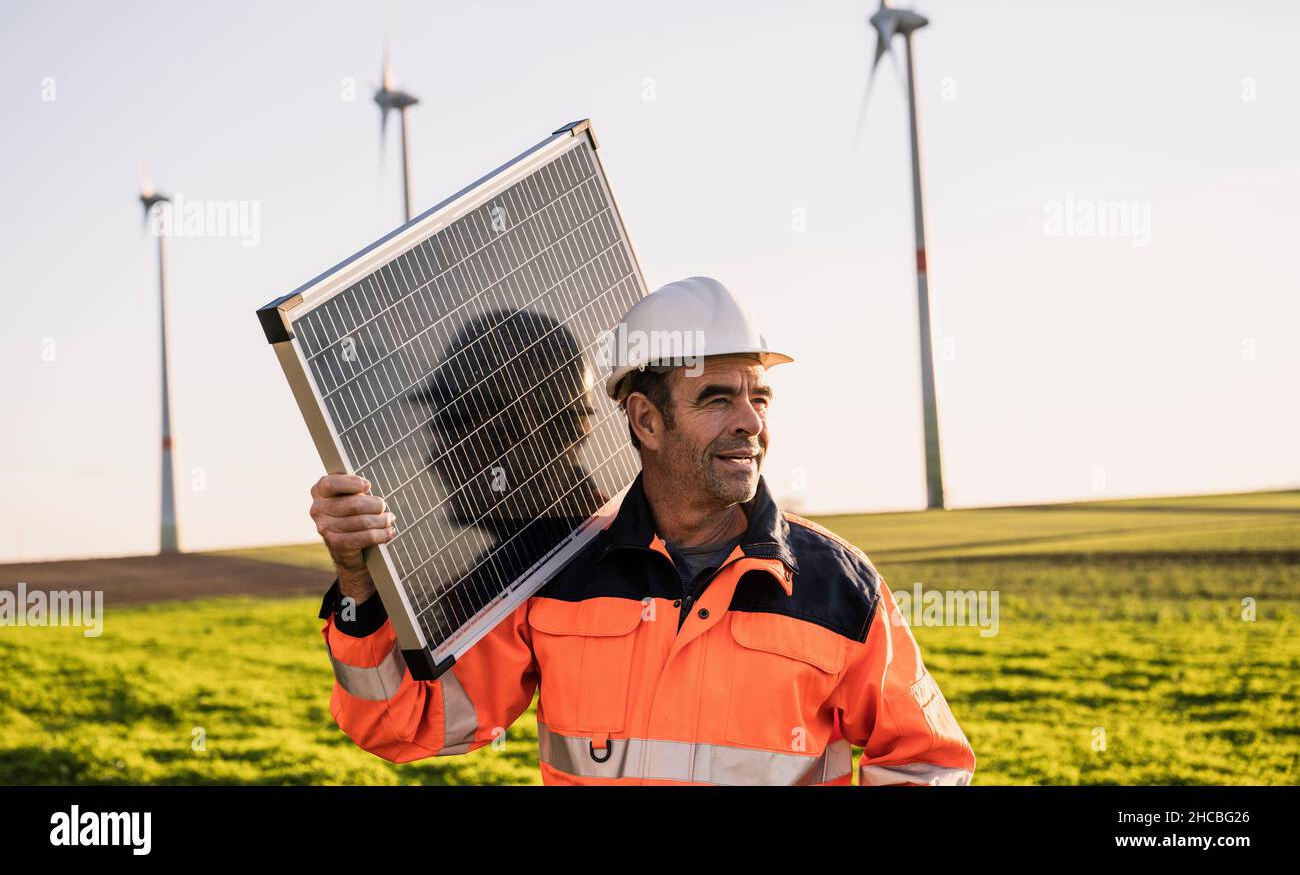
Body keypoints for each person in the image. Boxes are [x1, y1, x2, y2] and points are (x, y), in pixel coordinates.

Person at [309, 276, 976, 785]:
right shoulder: (558, 574)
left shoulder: (837, 585)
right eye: (718, 398)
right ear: (645, 421)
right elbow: (405, 724)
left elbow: (928, 759)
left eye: (758, 397)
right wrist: (355, 582)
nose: (750, 421)